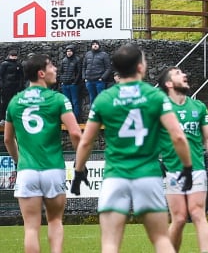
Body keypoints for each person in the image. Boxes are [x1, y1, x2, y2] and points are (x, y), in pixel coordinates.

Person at [72, 43, 192, 253]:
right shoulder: (156, 96)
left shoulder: (104, 99)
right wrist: (188, 167)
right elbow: (178, 137)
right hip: (148, 175)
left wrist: (79, 170)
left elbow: (85, 141)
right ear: (140, 67)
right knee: (161, 240)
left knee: (110, 244)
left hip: (115, 175)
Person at [5, 52, 82, 253]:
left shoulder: (15, 101)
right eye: (51, 66)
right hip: (53, 169)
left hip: (27, 170)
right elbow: (75, 132)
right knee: (55, 221)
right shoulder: (58, 99)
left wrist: (18, 160)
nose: (55, 69)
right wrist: (80, 162)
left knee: (31, 228)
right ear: (41, 73)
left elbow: (7, 139)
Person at [157, 66, 208, 253]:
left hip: (197, 168)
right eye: (177, 74)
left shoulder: (198, 107)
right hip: (172, 169)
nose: (184, 75)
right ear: (168, 84)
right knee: (180, 218)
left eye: (183, 72)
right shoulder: (160, 109)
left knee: (198, 213)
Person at [83, 40, 112, 109]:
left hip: (99, 81)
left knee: (101, 98)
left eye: (96, 44)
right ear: (91, 46)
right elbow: (84, 66)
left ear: (99, 45)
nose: (95, 45)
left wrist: (102, 78)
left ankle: (102, 116)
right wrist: (85, 78)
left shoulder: (104, 55)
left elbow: (108, 68)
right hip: (89, 81)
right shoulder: (87, 54)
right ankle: (93, 116)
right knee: (92, 98)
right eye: (93, 44)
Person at [58, 45, 83, 120]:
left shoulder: (77, 60)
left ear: (73, 52)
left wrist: (75, 82)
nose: (68, 53)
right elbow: (61, 71)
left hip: (73, 85)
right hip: (65, 84)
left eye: (70, 51)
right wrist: (62, 81)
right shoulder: (64, 60)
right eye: (67, 51)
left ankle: (75, 119)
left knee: (75, 102)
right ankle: (68, 119)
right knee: (67, 103)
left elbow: (79, 72)